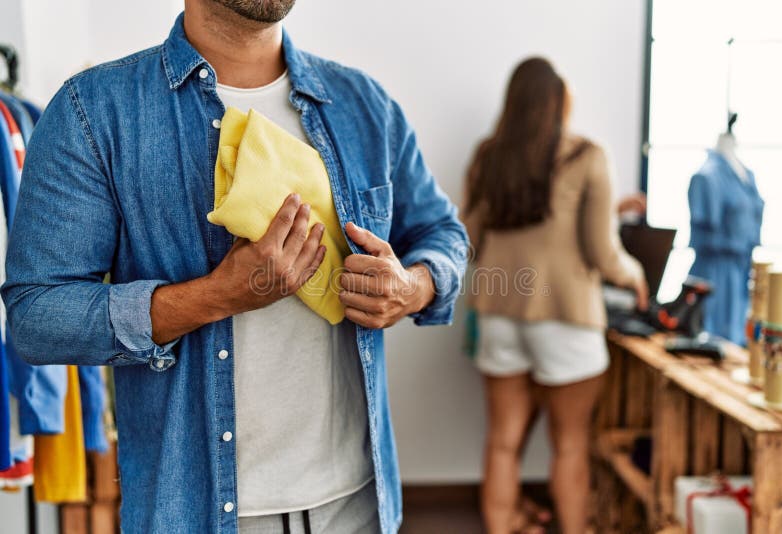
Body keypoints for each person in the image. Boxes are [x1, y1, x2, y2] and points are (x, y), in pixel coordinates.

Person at [1, 1, 467, 532]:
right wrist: (216, 295)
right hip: (196, 515)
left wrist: (414, 287)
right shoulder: (94, 113)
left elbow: (443, 234)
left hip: (360, 506)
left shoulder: (366, 107)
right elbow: (37, 316)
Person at [462, 58, 647, 534]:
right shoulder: (587, 155)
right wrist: (636, 274)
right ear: (561, 101)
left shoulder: (488, 156)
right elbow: (602, 253)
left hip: (500, 313)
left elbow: (468, 240)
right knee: (569, 444)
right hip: (566, 316)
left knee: (503, 442)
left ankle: (503, 526)